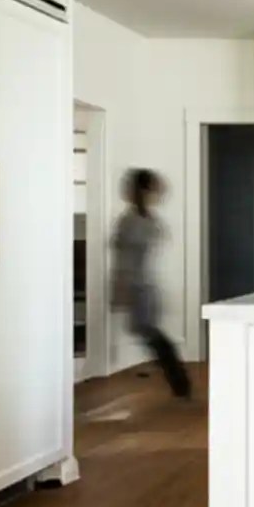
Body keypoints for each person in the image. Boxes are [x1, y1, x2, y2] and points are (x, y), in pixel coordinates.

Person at [110, 169, 192, 398]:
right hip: (141, 285)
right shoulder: (139, 221)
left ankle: (179, 380)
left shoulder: (135, 222)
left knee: (148, 331)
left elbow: (125, 257)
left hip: (140, 287)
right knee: (146, 331)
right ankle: (177, 379)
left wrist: (121, 289)